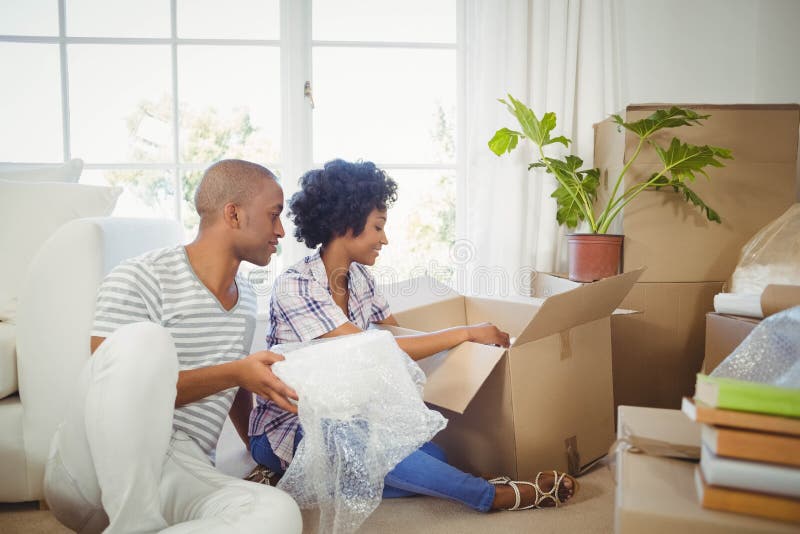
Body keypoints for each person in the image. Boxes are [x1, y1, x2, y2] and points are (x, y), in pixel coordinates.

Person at [248, 159, 578, 512]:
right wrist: (466, 332)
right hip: (289, 428)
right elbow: (373, 349)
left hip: (350, 419)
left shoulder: (361, 280)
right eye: (378, 227)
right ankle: (493, 495)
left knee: (434, 456)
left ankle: (302, 480)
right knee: (367, 447)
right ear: (345, 224)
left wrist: (464, 341)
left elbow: (397, 338)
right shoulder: (296, 285)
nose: (384, 239)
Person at [44, 160, 303, 533]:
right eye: (274, 215)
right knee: (146, 340)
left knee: (279, 512)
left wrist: (255, 448)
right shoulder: (140, 275)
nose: (281, 230)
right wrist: (236, 372)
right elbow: (113, 392)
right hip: (94, 465)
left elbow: (232, 383)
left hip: (179, 467)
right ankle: (134, 524)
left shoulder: (246, 297)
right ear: (233, 214)